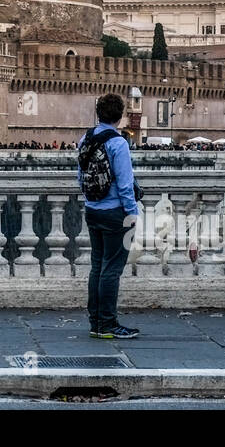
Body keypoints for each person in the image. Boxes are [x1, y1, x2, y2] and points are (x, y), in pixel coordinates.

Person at [79, 93, 141, 340]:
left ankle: (95, 322)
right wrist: (132, 213)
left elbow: (79, 176)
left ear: (98, 113)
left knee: (97, 267)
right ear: (120, 116)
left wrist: (90, 200)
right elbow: (126, 184)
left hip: (92, 210)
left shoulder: (85, 138)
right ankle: (107, 324)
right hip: (116, 213)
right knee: (112, 269)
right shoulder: (119, 143)